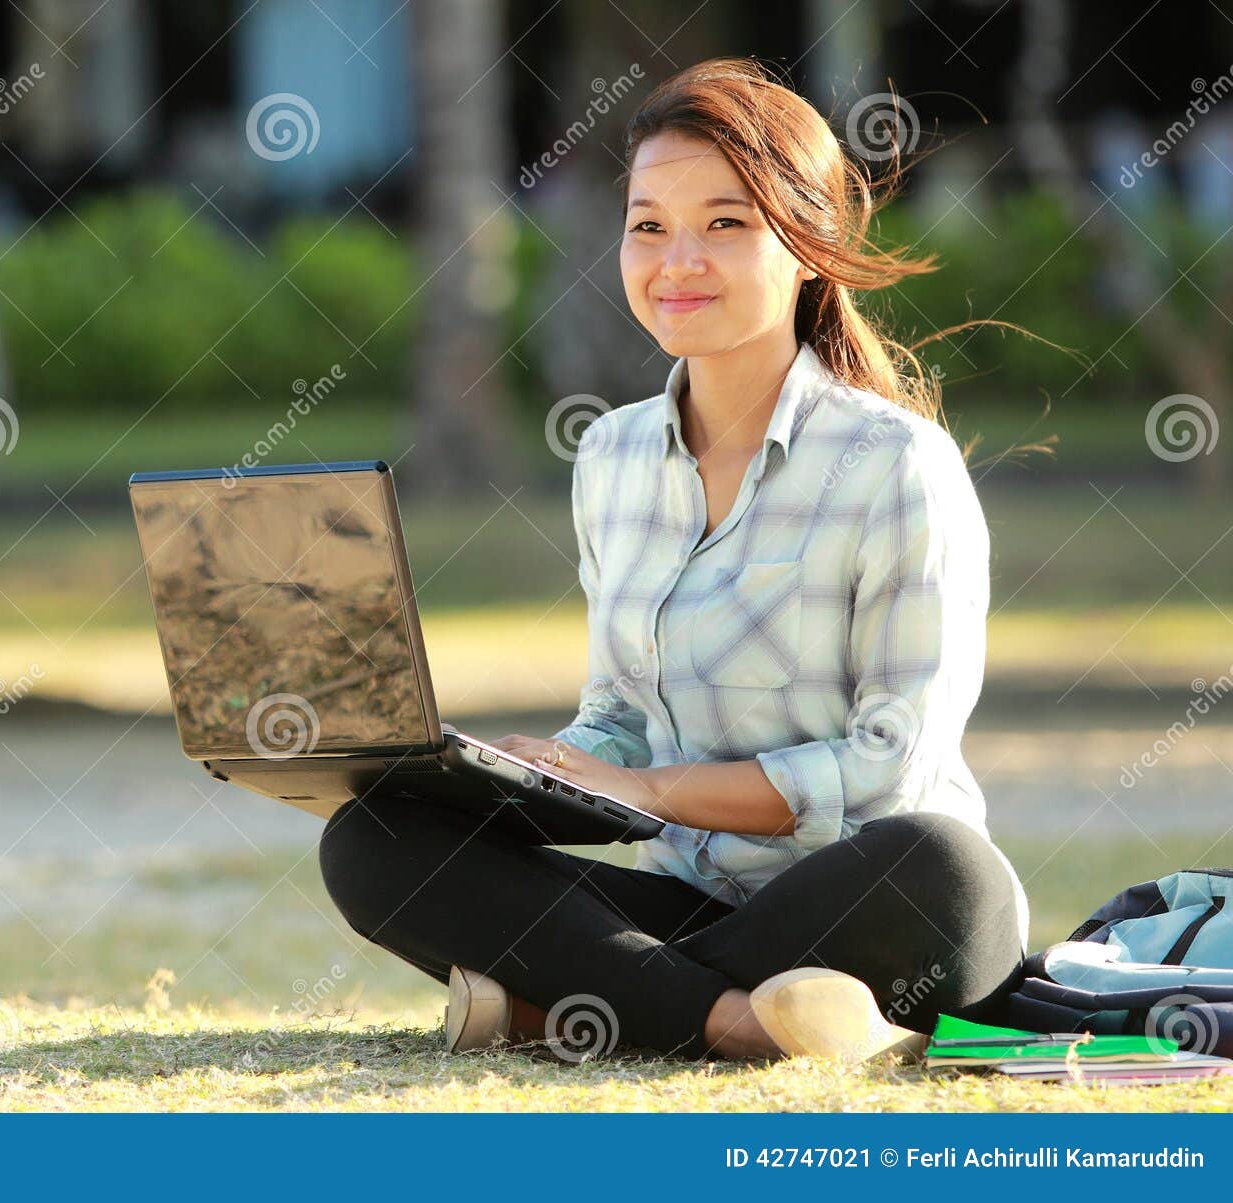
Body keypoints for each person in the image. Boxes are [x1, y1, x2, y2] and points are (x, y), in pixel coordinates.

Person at [319, 56, 1030, 1062]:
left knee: (944, 868)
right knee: (374, 841)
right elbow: (619, 715)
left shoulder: (893, 465)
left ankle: (577, 1000)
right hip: (691, 905)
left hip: (873, 903)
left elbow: (887, 769)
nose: (675, 260)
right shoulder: (609, 457)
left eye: (724, 224)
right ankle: (742, 1020)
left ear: (807, 246)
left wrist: (659, 793)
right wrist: (531, 775)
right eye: (648, 225)